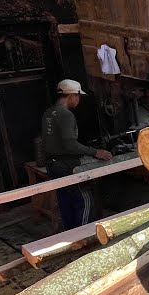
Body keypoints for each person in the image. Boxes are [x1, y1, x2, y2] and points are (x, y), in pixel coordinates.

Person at [41, 79, 112, 229]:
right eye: (78, 96)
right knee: (84, 199)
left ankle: (71, 235)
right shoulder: (66, 114)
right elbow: (70, 144)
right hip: (66, 165)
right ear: (71, 95)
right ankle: (83, 237)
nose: (78, 100)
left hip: (52, 165)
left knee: (65, 200)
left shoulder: (48, 113)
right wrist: (95, 152)